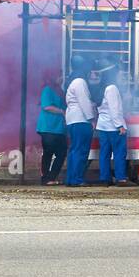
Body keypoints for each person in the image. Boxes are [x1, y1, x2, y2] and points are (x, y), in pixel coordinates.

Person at [63, 55, 96, 187]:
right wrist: (91, 119)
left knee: (74, 150)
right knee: (81, 150)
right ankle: (77, 179)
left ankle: (71, 179)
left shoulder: (71, 81)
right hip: (81, 120)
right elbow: (84, 102)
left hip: (72, 119)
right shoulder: (80, 81)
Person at [94, 68, 128, 187]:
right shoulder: (112, 88)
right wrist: (119, 125)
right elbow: (115, 109)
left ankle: (105, 178)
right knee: (119, 152)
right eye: (119, 74)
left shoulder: (101, 88)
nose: (121, 76)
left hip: (103, 126)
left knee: (104, 153)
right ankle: (121, 178)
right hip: (113, 127)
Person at [36, 69, 67, 185]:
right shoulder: (47, 90)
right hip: (47, 127)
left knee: (62, 152)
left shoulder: (60, 91)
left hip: (59, 128)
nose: (62, 78)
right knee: (48, 153)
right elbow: (46, 106)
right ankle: (45, 178)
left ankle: (52, 176)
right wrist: (61, 111)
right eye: (59, 76)